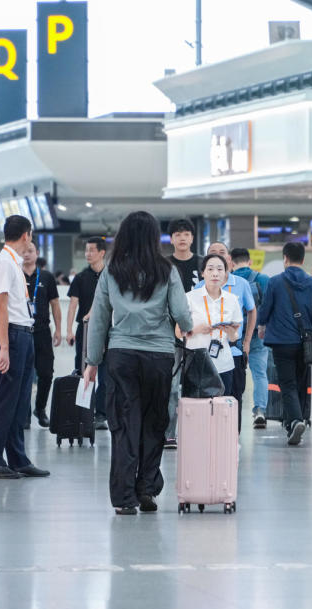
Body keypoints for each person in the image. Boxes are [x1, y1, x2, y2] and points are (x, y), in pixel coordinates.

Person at [83, 211, 193, 514]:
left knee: (123, 425)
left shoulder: (112, 270)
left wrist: (92, 361)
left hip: (122, 356)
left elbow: (99, 317)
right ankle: (146, 489)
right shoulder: (166, 269)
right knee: (154, 424)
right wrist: (188, 327)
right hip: (159, 357)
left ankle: (123, 498)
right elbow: (181, 313)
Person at [0, 215, 50, 480]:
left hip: (24, 334)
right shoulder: (3, 263)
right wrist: (4, 347)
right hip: (11, 336)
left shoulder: (13, 262)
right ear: (26, 235)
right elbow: (0, 306)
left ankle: (18, 459)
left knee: (20, 402)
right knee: (5, 400)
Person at [258, 242, 312, 446]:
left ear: (285, 258)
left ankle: (294, 421)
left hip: (281, 342)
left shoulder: (275, 282)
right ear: (303, 259)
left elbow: (265, 309)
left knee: (287, 384)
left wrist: (261, 326)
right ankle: (298, 418)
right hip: (305, 343)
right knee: (301, 382)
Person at [194, 242, 255, 430]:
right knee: (206, 400)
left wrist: (247, 341)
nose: (217, 256)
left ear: (229, 259)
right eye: (212, 254)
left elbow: (252, 311)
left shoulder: (241, 284)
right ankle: (209, 437)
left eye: (221, 253)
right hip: (205, 355)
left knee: (233, 397)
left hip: (233, 351)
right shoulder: (198, 288)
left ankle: (232, 438)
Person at [165, 219, 202, 448]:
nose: (182, 238)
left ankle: (195, 433)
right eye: (177, 234)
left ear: (192, 238)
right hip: (170, 334)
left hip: (199, 334)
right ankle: (169, 433)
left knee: (196, 384)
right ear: (171, 239)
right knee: (171, 386)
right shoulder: (164, 265)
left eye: (186, 234)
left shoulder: (202, 264)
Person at [66, 237, 108, 428]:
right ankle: (83, 411)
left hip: (108, 331)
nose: (88, 254)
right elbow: (72, 305)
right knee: (83, 372)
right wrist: (69, 330)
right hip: (85, 330)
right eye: (86, 250)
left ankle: (101, 414)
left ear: (102, 252)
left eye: (92, 250)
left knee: (106, 375)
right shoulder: (81, 277)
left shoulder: (111, 276)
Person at [186, 255, 243, 393]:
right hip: (197, 363)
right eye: (210, 269)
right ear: (203, 273)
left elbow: (234, 338)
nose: (215, 273)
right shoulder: (190, 297)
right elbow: (178, 332)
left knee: (223, 404)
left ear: (225, 273)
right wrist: (196, 330)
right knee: (196, 404)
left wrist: (231, 332)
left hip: (224, 363)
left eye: (220, 269)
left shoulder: (232, 299)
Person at [22, 241, 61, 428]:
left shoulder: (46, 277)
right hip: (21, 331)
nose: (27, 254)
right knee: (24, 374)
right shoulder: (15, 275)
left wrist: (59, 329)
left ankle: (40, 408)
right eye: (24, 251)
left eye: (30, 251)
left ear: (37, 253)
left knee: (46, 373)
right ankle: (24, 413)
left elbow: (55, 304)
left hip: (42, 331)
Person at [231, 248, 271, 428]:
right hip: (258, 333)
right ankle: (260, 410)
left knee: (232, 373)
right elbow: (270, 306)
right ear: (250, 262)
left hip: (233, 335)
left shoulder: (229, 280)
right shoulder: (263, 279)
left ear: (231, 262)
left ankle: (230, 408)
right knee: (260, 374)